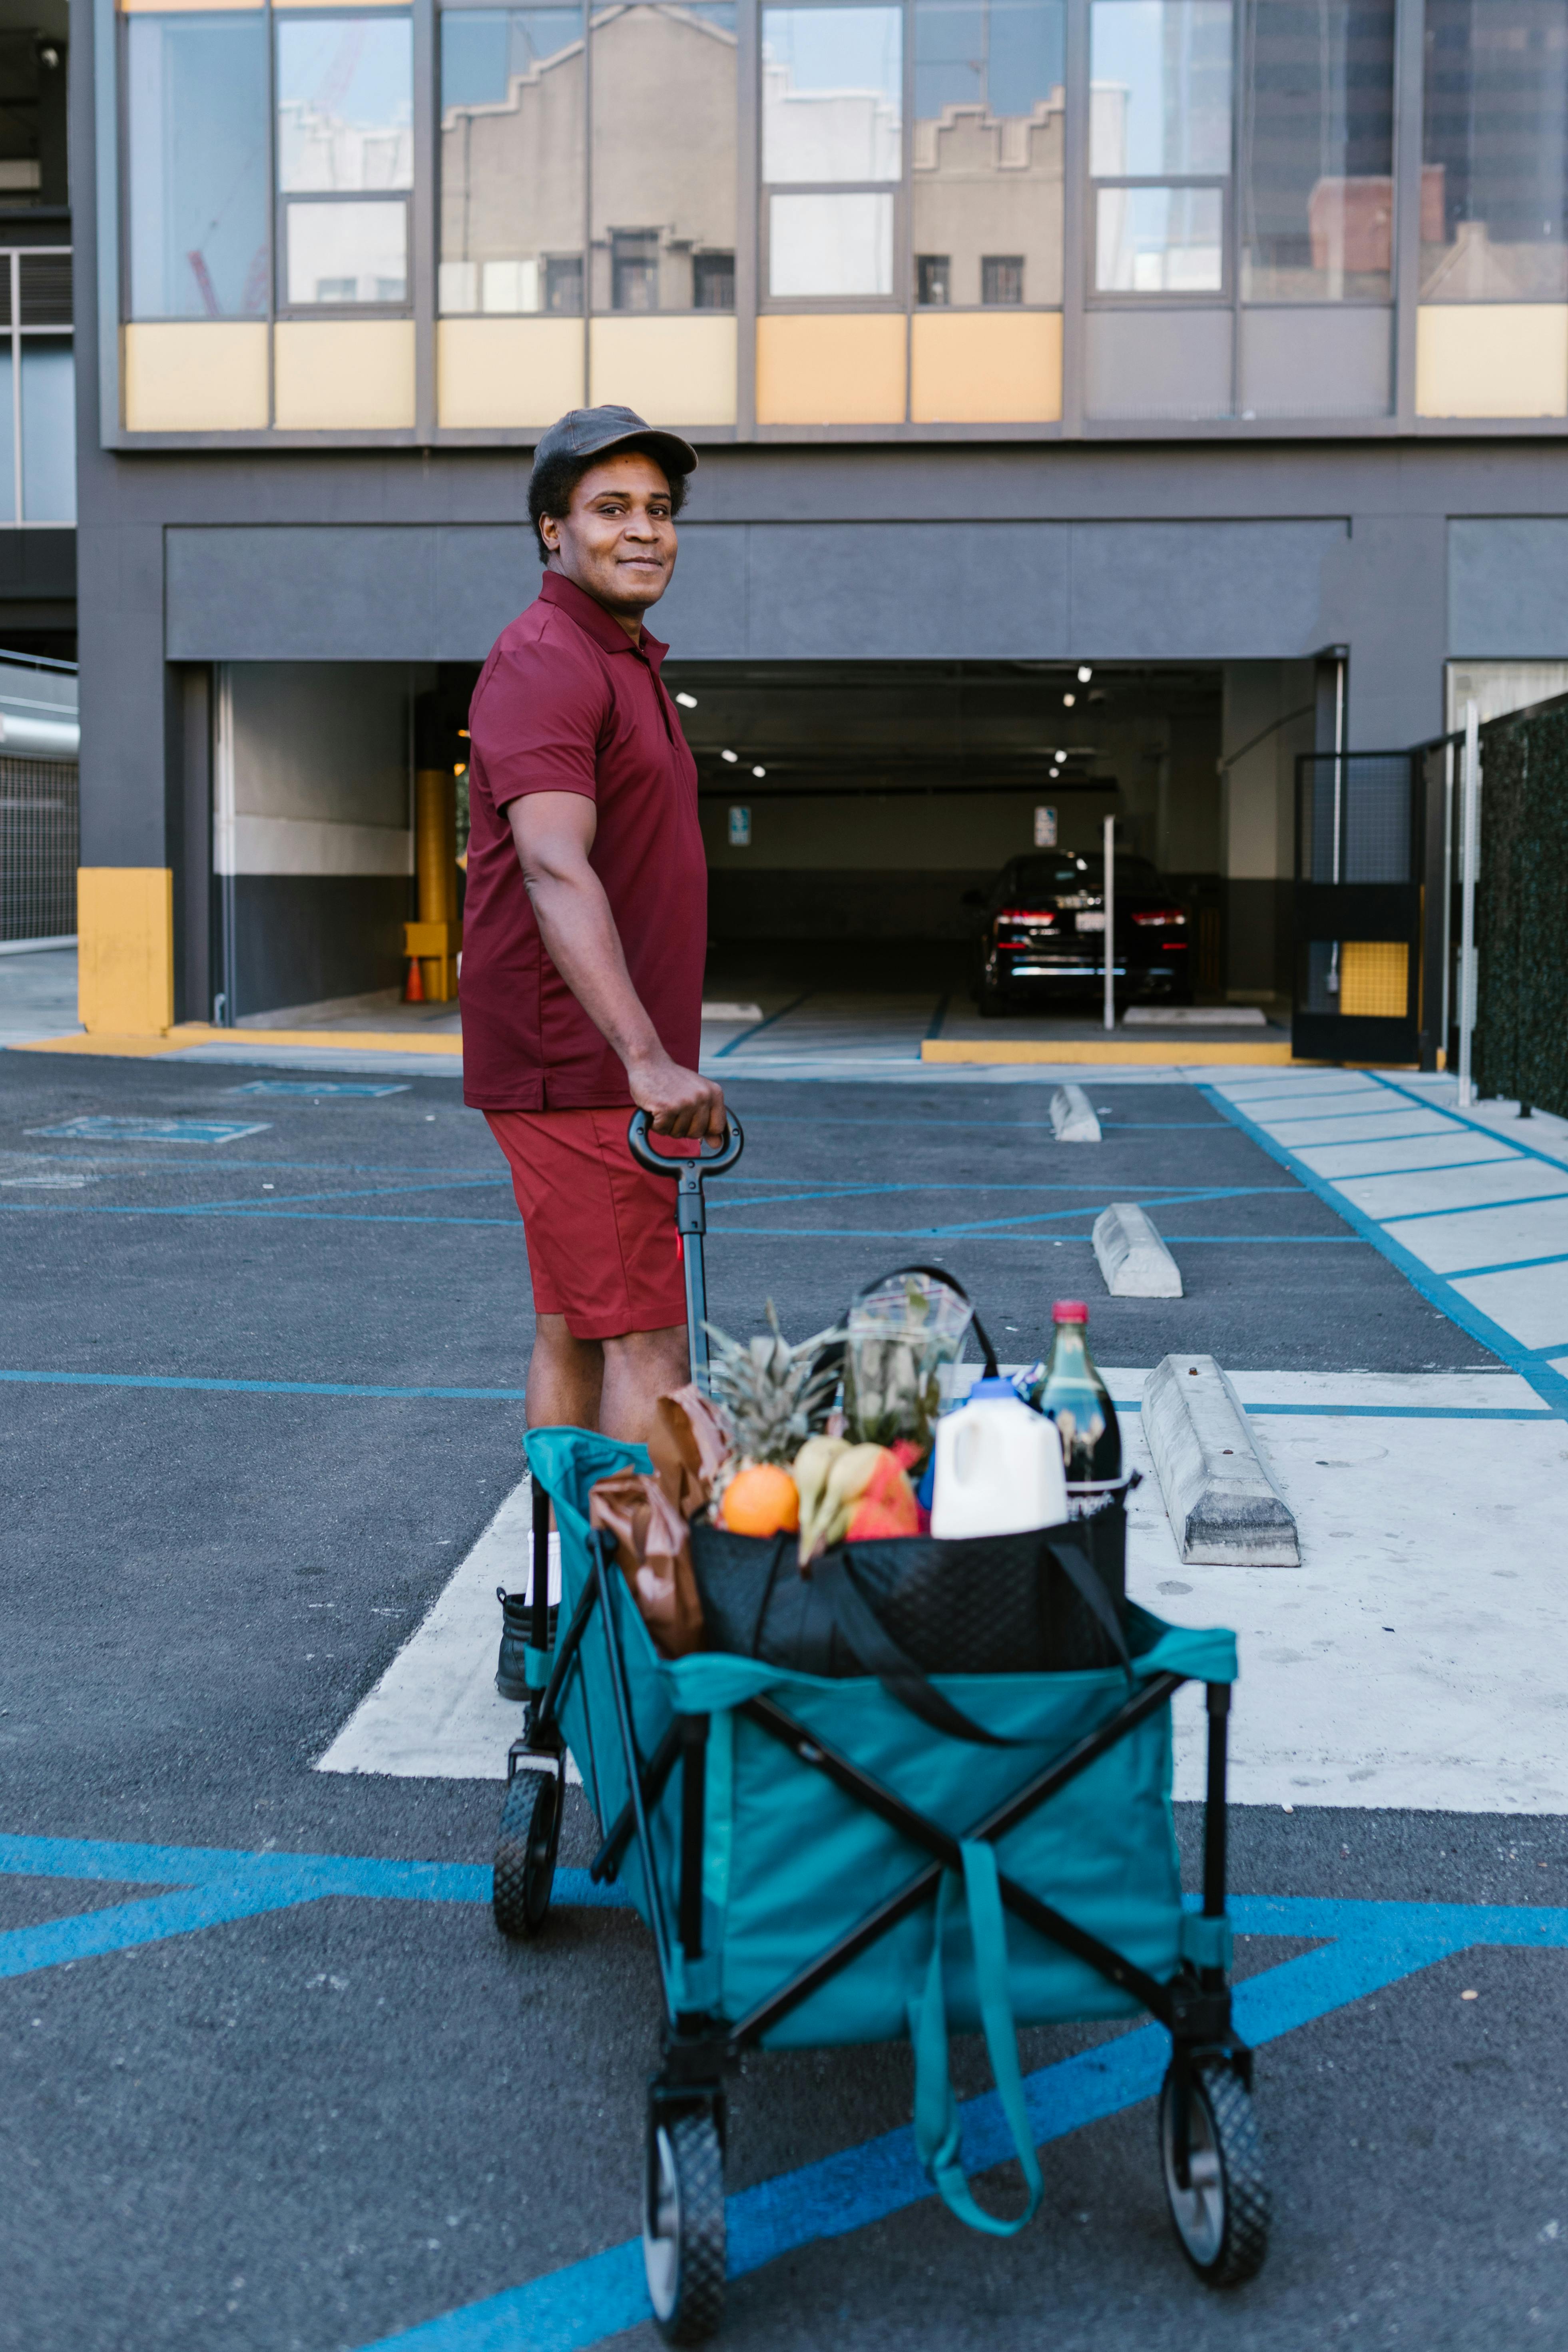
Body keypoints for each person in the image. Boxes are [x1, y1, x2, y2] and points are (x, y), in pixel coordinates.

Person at [460, 405, 725, 1445]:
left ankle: (568, 1598)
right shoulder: (544, 659)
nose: (643, 530)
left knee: (575, 1325)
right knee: (651, 1345)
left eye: (659, 509)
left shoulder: (621, 658)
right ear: (551, 529)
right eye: (609, 507)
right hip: (580, 1068)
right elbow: (550, 865)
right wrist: (646, 1059)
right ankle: (635, 1603)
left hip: (590, 1064)